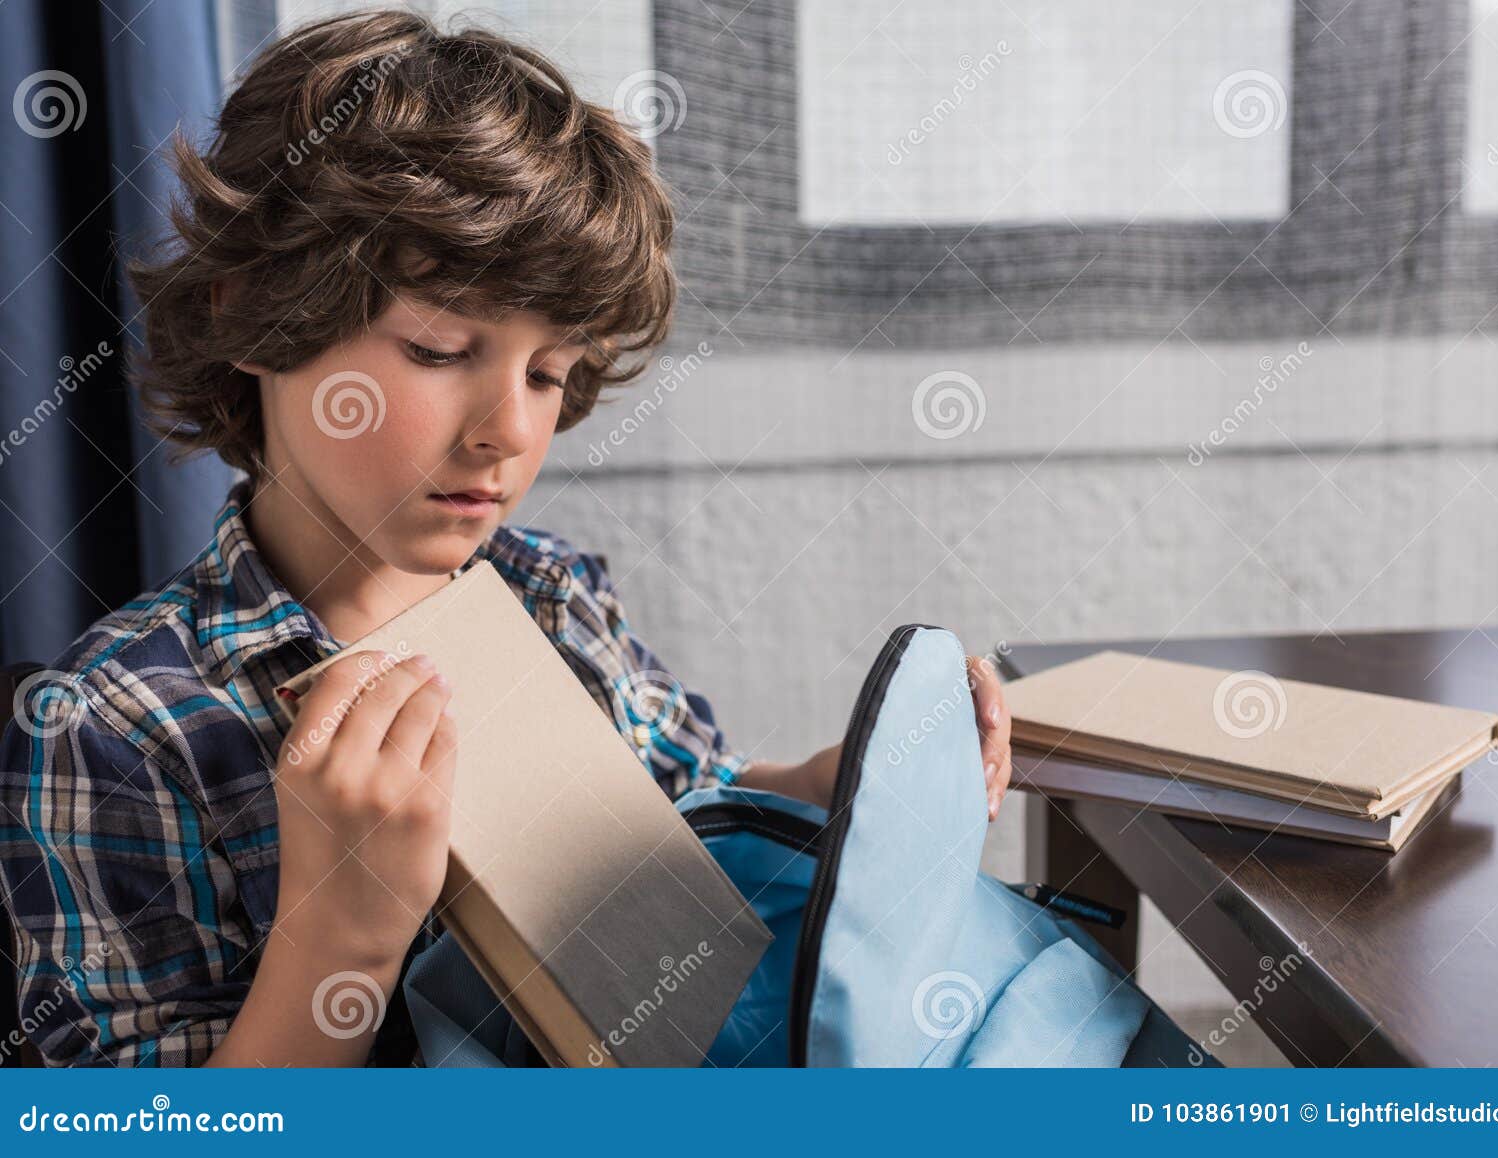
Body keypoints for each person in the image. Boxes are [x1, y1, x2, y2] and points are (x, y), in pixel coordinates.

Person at [0, 9, 1013, 1067]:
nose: (512, 431)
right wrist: (344, 933)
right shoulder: (112, 729)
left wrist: (837, 783)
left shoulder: (552, 595)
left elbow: (691, 810)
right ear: (253, 310)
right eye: (440, 349)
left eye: (550, 372)